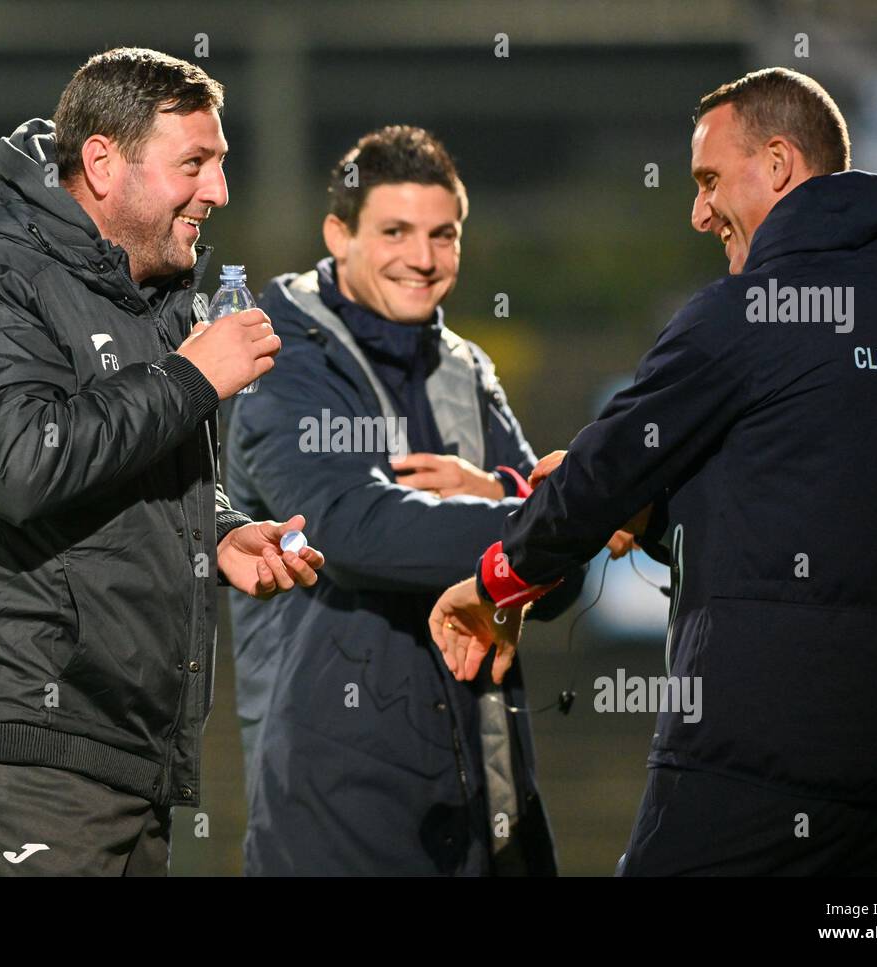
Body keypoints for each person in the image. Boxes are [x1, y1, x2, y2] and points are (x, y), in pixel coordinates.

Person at [430, 67, 877, 875]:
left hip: (757, 757)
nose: (698, 212)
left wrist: (498, 580)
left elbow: (603, 469)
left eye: (707, 179)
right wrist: (660, 519)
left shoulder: (748, 311)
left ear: (775, 165)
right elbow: (836, 518)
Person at [0, 47, 323, 876]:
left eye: (221, 164)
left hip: (122, 741)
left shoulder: (150, 281)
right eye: (193, 164)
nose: (218, 192)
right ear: (100, 162)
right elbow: (19, 463)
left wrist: (218, 529)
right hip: (27, 733)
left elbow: (121, 451)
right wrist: (194, 374)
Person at [227, 126, 623, 875]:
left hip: (489, 810)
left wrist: (516, 500)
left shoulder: (467, 369)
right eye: (396, 231)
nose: (424, 258)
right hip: (335, 824)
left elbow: (563, 578)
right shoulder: (278, 359)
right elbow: (349, 529)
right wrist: (550, 514)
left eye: (444, 234)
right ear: (337, 235)